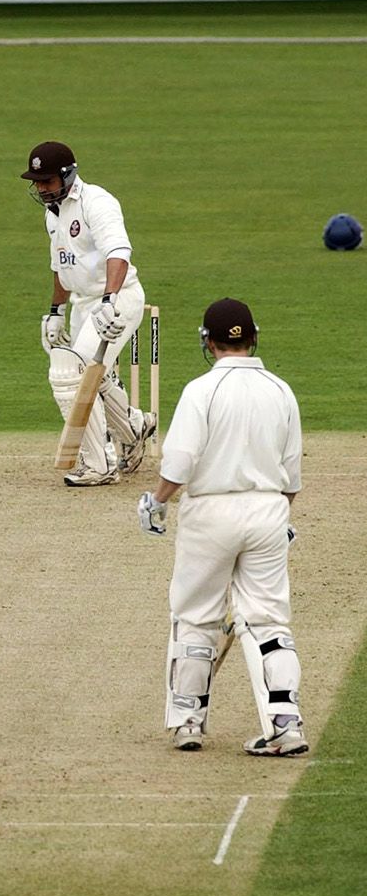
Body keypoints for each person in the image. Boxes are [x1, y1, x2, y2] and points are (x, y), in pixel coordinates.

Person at [137, 298, 307, 756]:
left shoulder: (200, 391)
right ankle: (286, 724)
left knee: (196, 615)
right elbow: (291, 473)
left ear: (207, 342)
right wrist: (280, 517)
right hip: (269, 511)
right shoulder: (280, 390)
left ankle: (189, 721)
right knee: (270, 620)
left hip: (210, 513)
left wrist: (156, 502)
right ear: (254, 337)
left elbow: (181, 461)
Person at [22, 141, 157, 485]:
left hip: (118, 297)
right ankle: (134, 427)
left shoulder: (97, 202)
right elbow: (61, 264)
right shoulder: (53, 213)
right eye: (37, 182)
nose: (41, 188)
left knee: (73, 375)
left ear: (68, 176)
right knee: (98, 376)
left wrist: (110, 300)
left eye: (47, 181)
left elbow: (119, 253)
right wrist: (55, 310)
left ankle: (99, 464)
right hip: (83, 303)